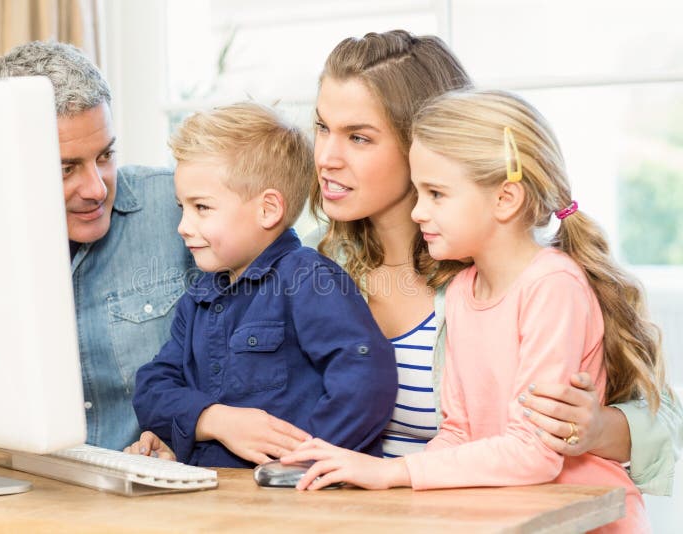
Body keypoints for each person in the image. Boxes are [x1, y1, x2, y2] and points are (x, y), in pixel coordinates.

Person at [295, 30, 681, 493]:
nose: (326, 158)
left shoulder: (505, 268)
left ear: (427, 138)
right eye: (322, 128)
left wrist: (596, 428)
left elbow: (657, 418)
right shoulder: (310, 265)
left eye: (358, 137)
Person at [129, 102, 397, 468]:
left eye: (201, 208)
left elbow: (366, 378)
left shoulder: (308, 279)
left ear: (268, 210)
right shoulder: (197, 300)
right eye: (181, 208)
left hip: (301, 498)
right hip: (218, 498)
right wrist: (212, 421)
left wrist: (302, 459)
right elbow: (151, 390)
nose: (183, 226)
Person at [0, 41, 190, 451]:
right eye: (65, 168)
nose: (96, 189)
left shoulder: (181, 209)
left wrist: (188, 434)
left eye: (105, 155)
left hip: (159, 499)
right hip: (29, 502)